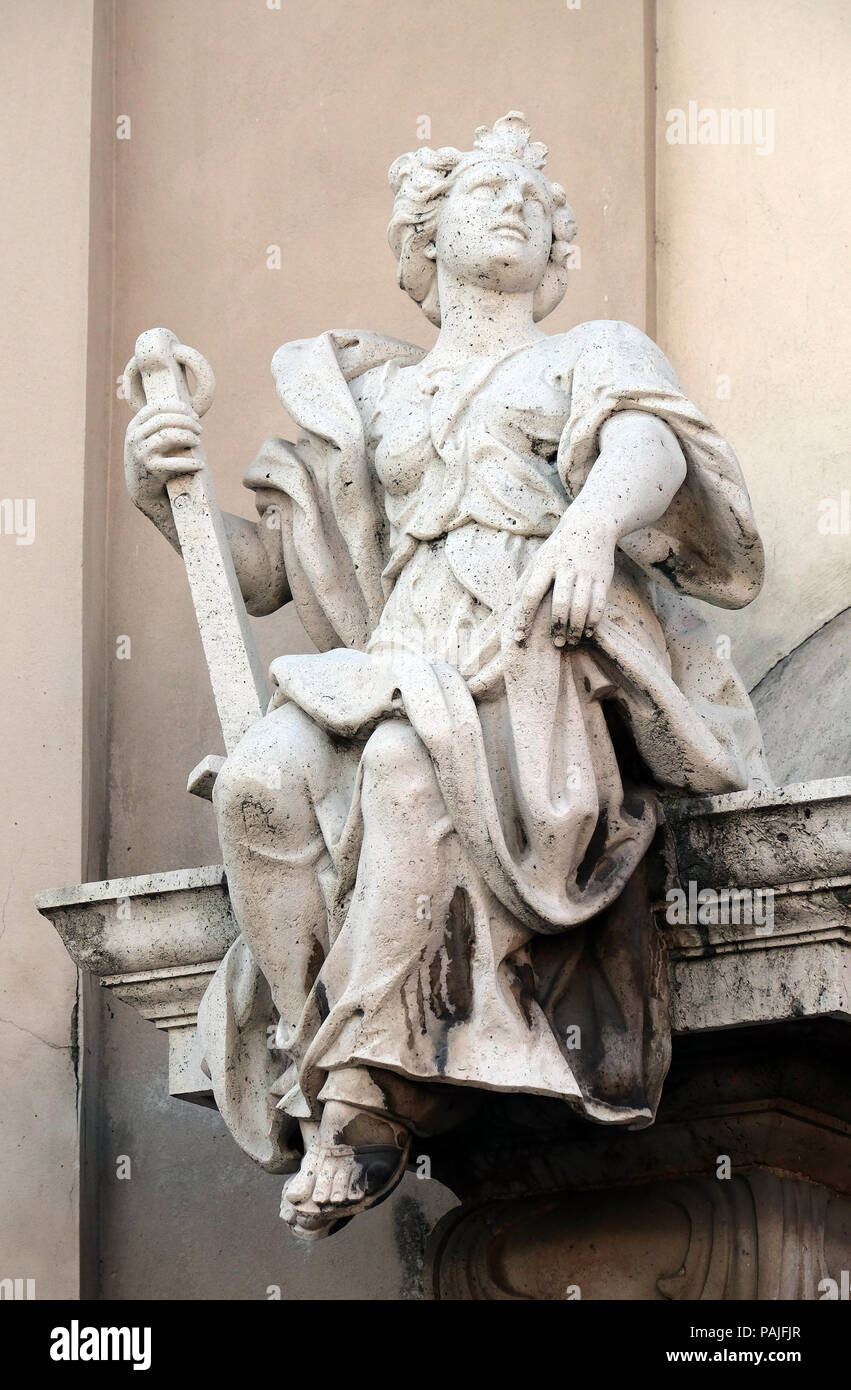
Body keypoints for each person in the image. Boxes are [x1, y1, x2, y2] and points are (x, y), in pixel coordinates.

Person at [124, 113, 768, 1239]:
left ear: (557, 257)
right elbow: (265, 568)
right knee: (260, 787)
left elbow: (647, 448)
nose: (513, 204)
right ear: (425, 243)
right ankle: (305, 1044)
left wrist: (584, 532)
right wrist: (161, 493)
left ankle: (361, 1103)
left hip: (530, 658)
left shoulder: (591, 351)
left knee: (399, 765)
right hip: (392, 656)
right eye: (484, 192)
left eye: (533, 199)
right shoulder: (369, 398)